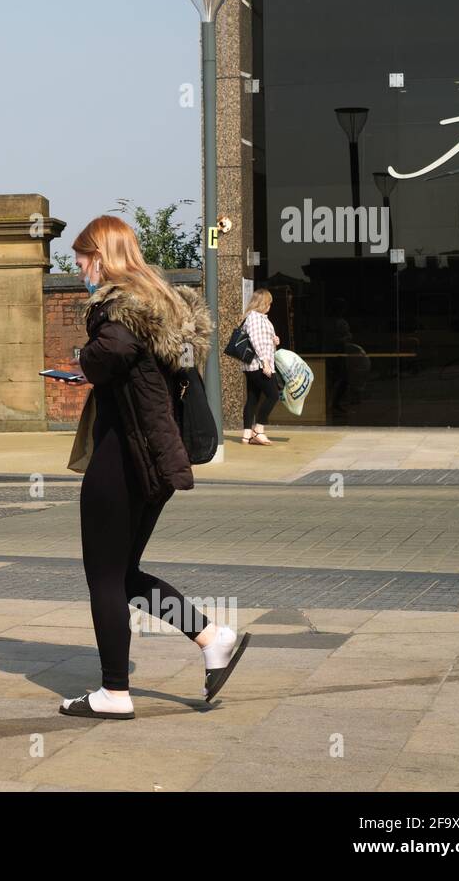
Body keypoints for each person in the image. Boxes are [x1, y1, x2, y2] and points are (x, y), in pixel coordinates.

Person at [58, 215, 250, 720]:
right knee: (123, 574)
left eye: (82, 258)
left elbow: (113, 352)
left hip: (123, 458)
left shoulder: (117, 308)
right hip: (158, 461)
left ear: (101, 255)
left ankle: (114, 693)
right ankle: (212, 637)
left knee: (103, 576)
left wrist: (84, 359)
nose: (78, 268)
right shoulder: (165, 307)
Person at [240, 288, 280, 445]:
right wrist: (266, 363)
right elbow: (257, 341)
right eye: (269, 303)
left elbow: (262, 340)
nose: (270, 306)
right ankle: (259, 429)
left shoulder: (257, 318)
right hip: (259, 365)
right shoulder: (255, 318)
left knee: (253, 398)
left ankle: (247, 435)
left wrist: (274, 340)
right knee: (273, 395)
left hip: (254, 365)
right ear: (263, 303)